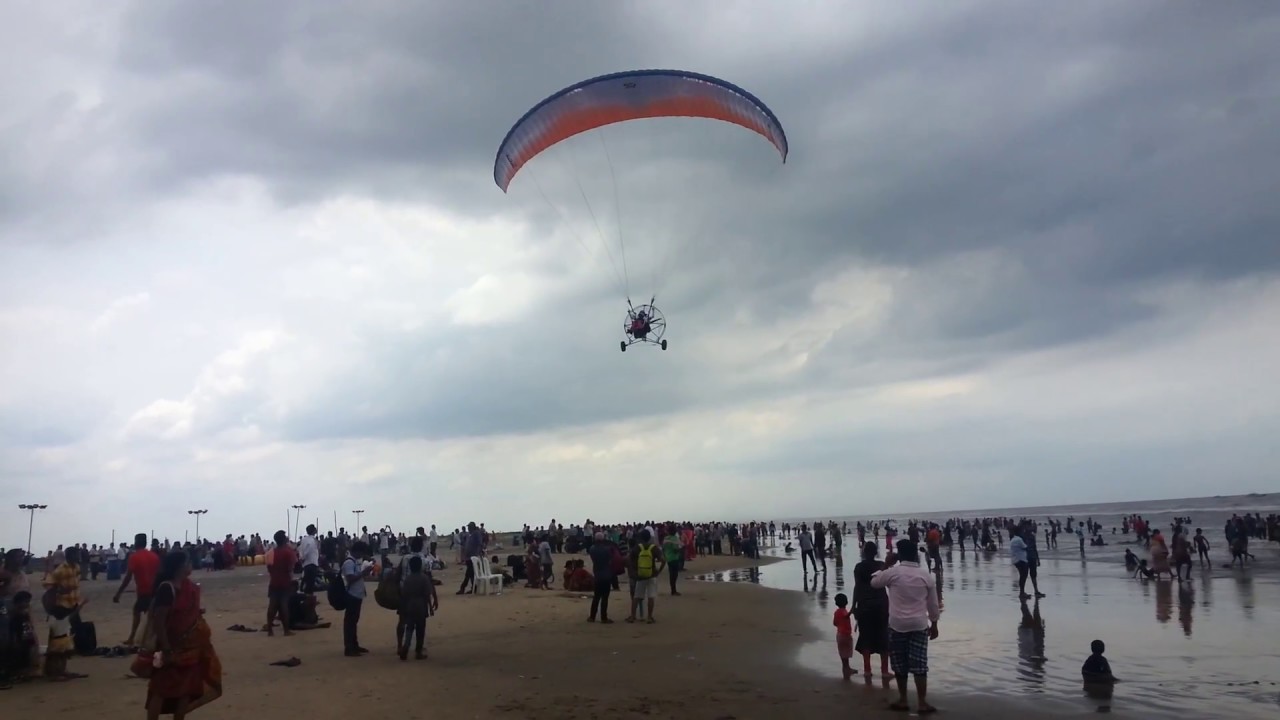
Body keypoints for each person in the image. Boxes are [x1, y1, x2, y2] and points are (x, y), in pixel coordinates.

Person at [143, 551, 222, 719]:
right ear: (180, 566)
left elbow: (182, 611)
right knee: (161, 690)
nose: (190, 565)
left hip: (192, 650)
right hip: (172, 647)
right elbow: (159, 621)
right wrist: (166, 648)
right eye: (188, 562)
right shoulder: (167, 588)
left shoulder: (188, 587)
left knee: (187, 690)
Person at [871, 540, 940, 714]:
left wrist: (886, 564)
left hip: (897, 624)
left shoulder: (893, 573)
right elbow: (933, 604)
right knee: (920, 665)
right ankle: (922, 702)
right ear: (915, 554)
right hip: (919, 624)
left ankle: (903, 699)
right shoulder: (925, 575)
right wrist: (935, 623)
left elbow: (875, 582)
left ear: (899, 555)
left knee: (900, 665)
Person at [43, 546, 88, 680]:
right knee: (58, 642)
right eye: (76, 554)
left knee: (67, 640)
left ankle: (63, 669)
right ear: (69, 556)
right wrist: (59, 591)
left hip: (72, 605)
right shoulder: (61, 569)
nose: (78, 557)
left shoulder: (76, 568)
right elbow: (48, 585)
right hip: (60, 608)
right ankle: (54, 672)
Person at [852, 541, 892, 679]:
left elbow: (857, 587)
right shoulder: (881, 565)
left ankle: (867, 669)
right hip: (881, 603)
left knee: (866, 636)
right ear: (875, 552)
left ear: (864, 552)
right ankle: (885, 671)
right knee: (883, 635)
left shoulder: (859, 567)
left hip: (864, 604)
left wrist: (853, 606)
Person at [114, 533, 161, 647]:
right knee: (153, 616)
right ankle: (152, 638)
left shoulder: (134, 557)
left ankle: (132, 638)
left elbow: (128, 577)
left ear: (136, 543)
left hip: (143, 591)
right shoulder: (154, 556)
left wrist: (118, 593)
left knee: (137, 613)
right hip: (155, 590)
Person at [398, 556, 437, 661]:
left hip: (410, 605)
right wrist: (431, 608)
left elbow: (404, 594)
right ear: (420, 566)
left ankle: (406, 646)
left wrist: (404, 608)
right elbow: (427, 595)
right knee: (420, 630)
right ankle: (418, 652)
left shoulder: (408, 579)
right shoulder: (424, 578)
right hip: (421, 606)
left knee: (409, 628)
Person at [341, 541, 373, 657]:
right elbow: (350, 578)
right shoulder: (349, 562)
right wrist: (363, 573)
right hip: (352, 594)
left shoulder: (354, 561)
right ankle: (349, 647)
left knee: (353, 622)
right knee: (350, 622)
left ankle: (354, 644)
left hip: (356, 594)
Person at [628, 530, 665, 625]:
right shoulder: (654, 548)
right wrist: (658, 571)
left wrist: (635, 571)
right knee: (651, 596)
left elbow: (630, 561)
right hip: (651, 574)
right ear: (649, 537)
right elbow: (663, 560)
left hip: (640, 575)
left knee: (636, 596)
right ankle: (649, 617)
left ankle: (632, 616)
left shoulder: (637, 548)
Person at [2, 591, 38, 685]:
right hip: (18, 640)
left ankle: (23, 674)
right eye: (24, 602)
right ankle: (17, 674)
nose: (26, 604)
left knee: (26, 656)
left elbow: (29, 627)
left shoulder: (25, 615)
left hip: (26, 639)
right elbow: (12, 631)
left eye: (27, 602)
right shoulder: (14, 616)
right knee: (18, 657)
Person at [266, 531, 296, 637]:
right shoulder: (288, 552)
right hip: (285, 582)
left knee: (272, 606)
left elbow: (269, 567)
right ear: (284, 539)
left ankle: (270, 630)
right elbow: (291, 568)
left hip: (274, 581)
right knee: (284, 606)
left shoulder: (271, 552)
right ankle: (286, 630)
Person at [587, 533, 616, 623]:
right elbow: (610, 560)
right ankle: (604, 617)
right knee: (605, 598)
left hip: (597, 575)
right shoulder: (607, 549)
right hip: (606, 575)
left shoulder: (592, 549)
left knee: (596, 597)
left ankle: (592, 616)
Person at [832, 592, 855, 679]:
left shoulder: (836, 612)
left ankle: (846, 668)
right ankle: (846, 668)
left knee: (843, 653)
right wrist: (852, 610)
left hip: (839, 634)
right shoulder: (842, 611)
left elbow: (834, 623)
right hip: (845, 635)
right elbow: (846, 616)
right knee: (846, 652)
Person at [298, 525, 321, 594]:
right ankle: (309, 598)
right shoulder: (312, 540)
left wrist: (301, 558)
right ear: (313, 531)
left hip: (306, 563)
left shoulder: (304, 539)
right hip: (311, 562)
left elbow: (300, 549)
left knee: (307, 580)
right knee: (310, 583)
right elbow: (308, 550)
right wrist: (303, 557)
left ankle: (307, 596)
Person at [1010, 529, 1032, 599]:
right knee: (1023, 576)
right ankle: (1022, 592)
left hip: (1015, 559)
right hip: (1021, 559)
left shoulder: (1013, 540)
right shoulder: (1019, 540)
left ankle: (1022, 592)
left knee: (1022, 576)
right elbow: (1025, 547)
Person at [663, 525, 684, 596]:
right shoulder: (674, 539)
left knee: (671, 574)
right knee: (674, 575)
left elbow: (663, 548)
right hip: (674, 558)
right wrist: (680, 549)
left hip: (668, 558)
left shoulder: (665, 538)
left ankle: (673, 589)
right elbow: (675, 549)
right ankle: (673, 590)